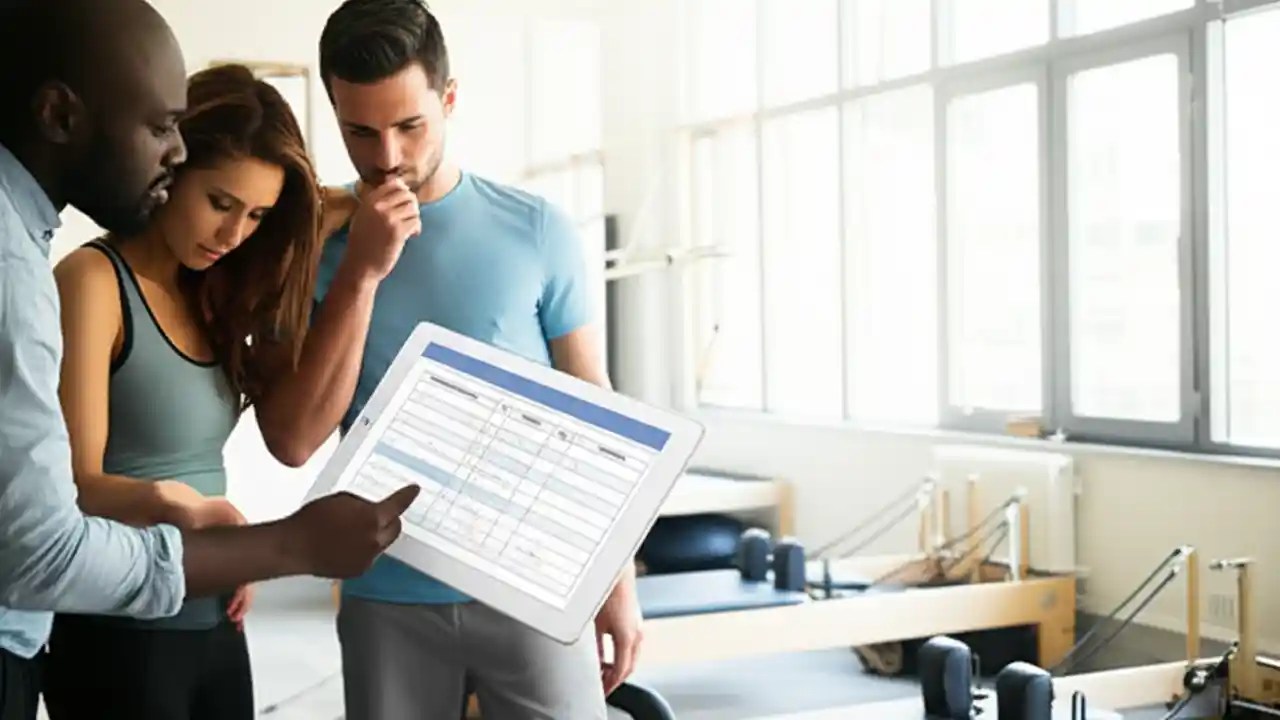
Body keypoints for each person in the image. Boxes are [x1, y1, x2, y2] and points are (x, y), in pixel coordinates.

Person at [0, 3, 419, 719]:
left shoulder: (219, 295)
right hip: (117, 628)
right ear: (173, 160)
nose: (233, 232)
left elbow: (293, 438)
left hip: (214, 610)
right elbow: (70, 489)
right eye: (219, 201)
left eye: (256, 216)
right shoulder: (90, 282)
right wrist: (192, 515)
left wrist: (367, 233)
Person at [293, 1, 644, 717]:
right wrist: (360, 268)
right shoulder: (314, 249)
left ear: (449, 99)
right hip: (384, 589)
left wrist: (617, 586)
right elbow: (298, 438)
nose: (386, 155)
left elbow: (598, 418)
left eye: (409, 126)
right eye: (359, 131)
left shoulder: (537, 228)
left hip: (535, 585)